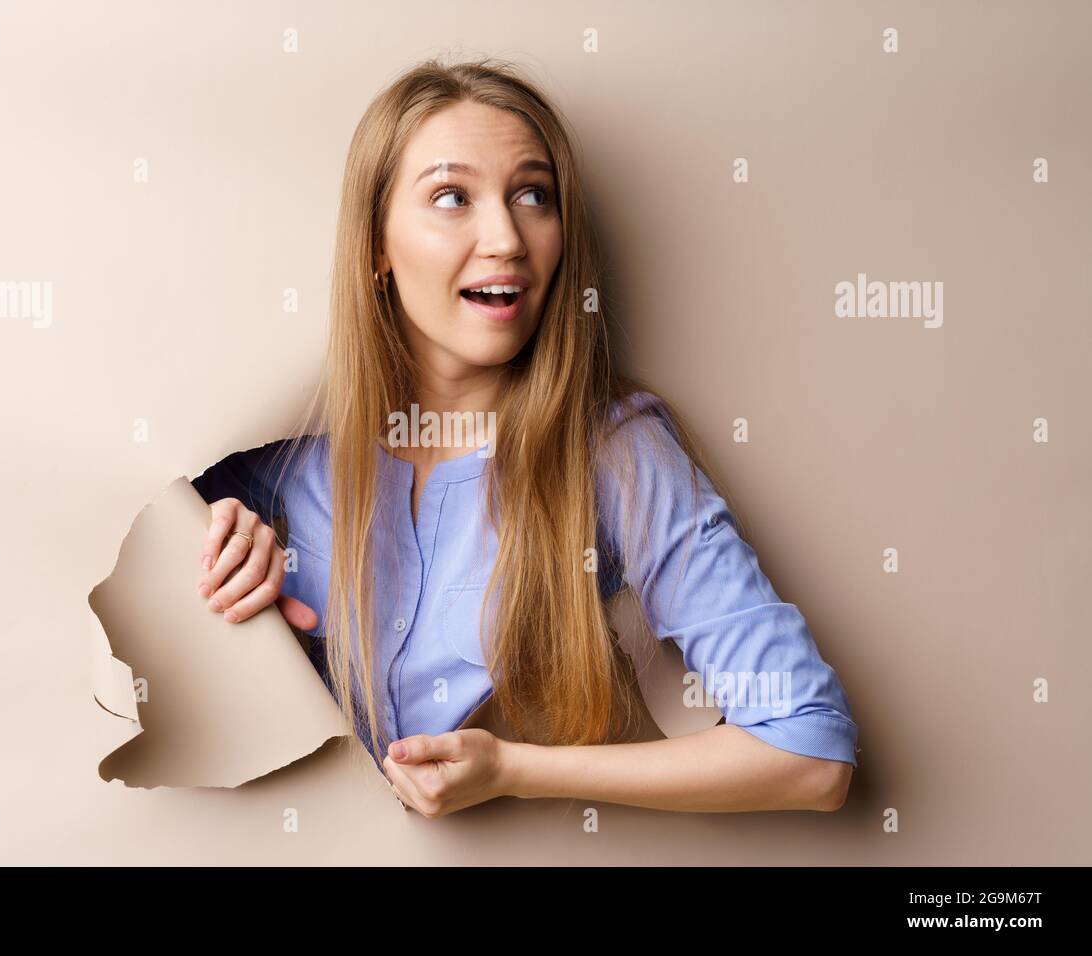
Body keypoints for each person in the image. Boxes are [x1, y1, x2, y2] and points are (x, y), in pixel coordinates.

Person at [191, 57, 858, 818]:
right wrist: (209, 553)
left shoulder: (616, 454)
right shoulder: (266, 459)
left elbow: (812, 753)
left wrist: (515, 769)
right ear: (377, 245)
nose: (507, 237)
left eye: (533, 196)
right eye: (451, 197)